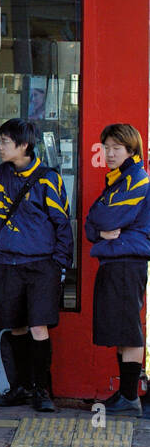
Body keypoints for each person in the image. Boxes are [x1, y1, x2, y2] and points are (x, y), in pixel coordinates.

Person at [0, 118, 72, 412]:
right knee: (14, 326)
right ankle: (18, 387)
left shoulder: (49, 179)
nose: (0, 146)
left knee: (38, 327)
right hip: (6, 264)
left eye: (5, 141)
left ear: (23, 145)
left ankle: (41, 389)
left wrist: (59, 264)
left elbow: (62, 225)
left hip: (40, 266)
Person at [85, 123, 150, 415]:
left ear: (131, 150)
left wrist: (100, 225)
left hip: (127, 261)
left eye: (116, 148)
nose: (109, 153)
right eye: (106, 147)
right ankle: (125, 395)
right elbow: (93, 223)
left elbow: (104, 216)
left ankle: (129, 398)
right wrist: (99, 231)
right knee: (120, 330)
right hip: (115, 260)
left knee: (129, 331)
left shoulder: (136, 179)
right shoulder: (119, 178)